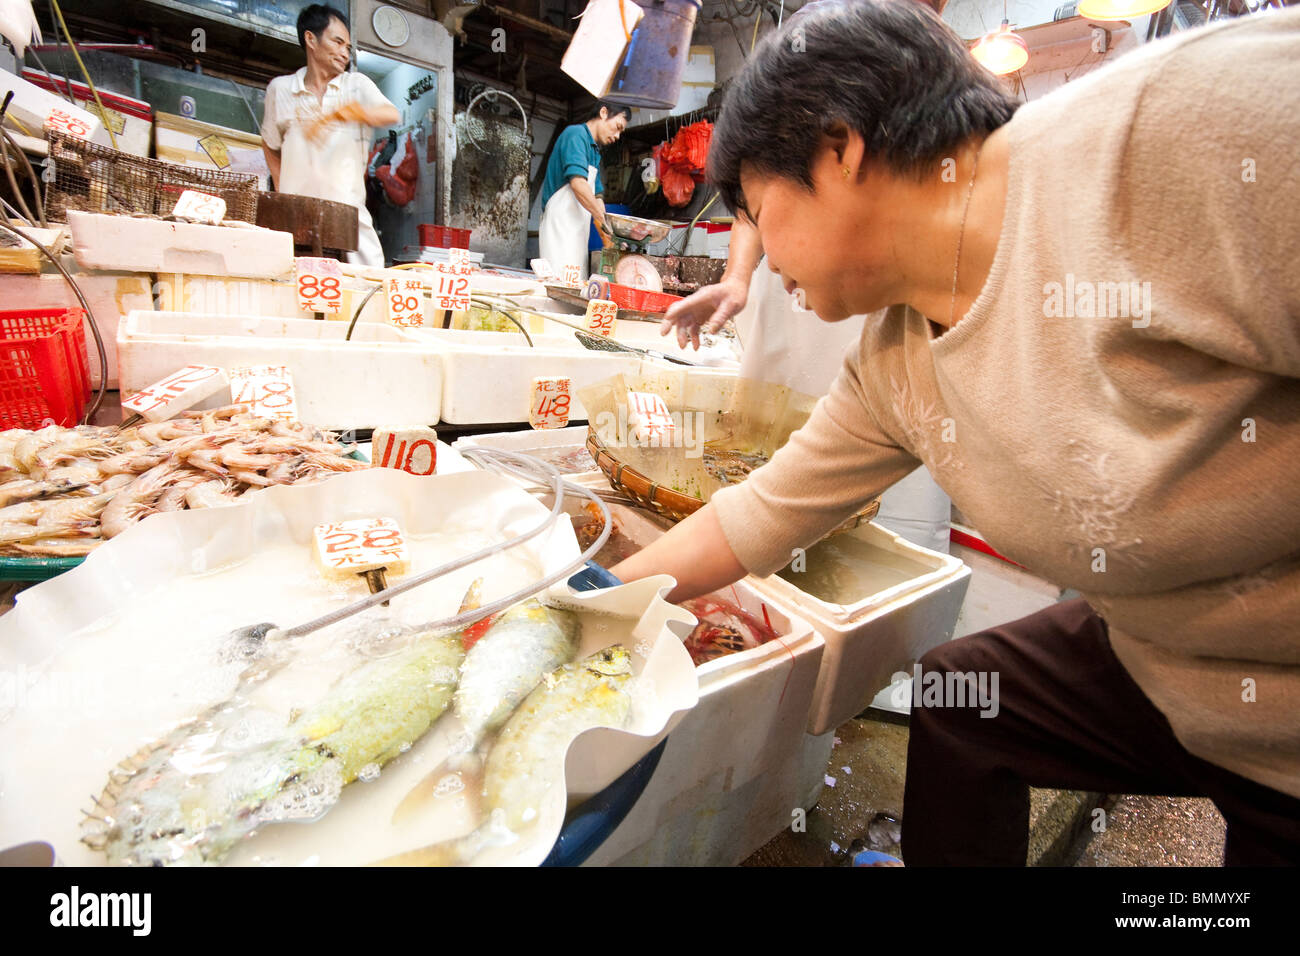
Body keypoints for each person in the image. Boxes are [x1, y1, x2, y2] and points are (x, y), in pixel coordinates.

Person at [613, 0, 1300, 865]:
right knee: (965, 699)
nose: (756, 251)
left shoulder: (1180, 130)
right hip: (1167, 656)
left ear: (839, 147)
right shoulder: (893, 359)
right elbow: (751, 518)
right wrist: (582, 603)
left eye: (755, 208)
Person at [261, 4, 400, 267]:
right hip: (296, 221)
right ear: (311, 39)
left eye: (347, 47)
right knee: (296, 292)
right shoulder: (280, 90)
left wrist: (345, 113)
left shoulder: (355, 85)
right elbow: (270, 144)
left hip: (350, 220)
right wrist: (283, 192)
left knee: (363, 295)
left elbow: (390, 114)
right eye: (337, 42)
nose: (344, 52)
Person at [537, 102, 630, 280]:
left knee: (575, 286)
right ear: (603, 112)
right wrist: (603, 222)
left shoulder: (594, 150)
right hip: (560, 229)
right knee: (557, 284)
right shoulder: (576, 134)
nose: (617, 136)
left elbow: (597, 196)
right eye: (617, 127)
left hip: (577, 234)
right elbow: (578, 184)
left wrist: (609, 234)